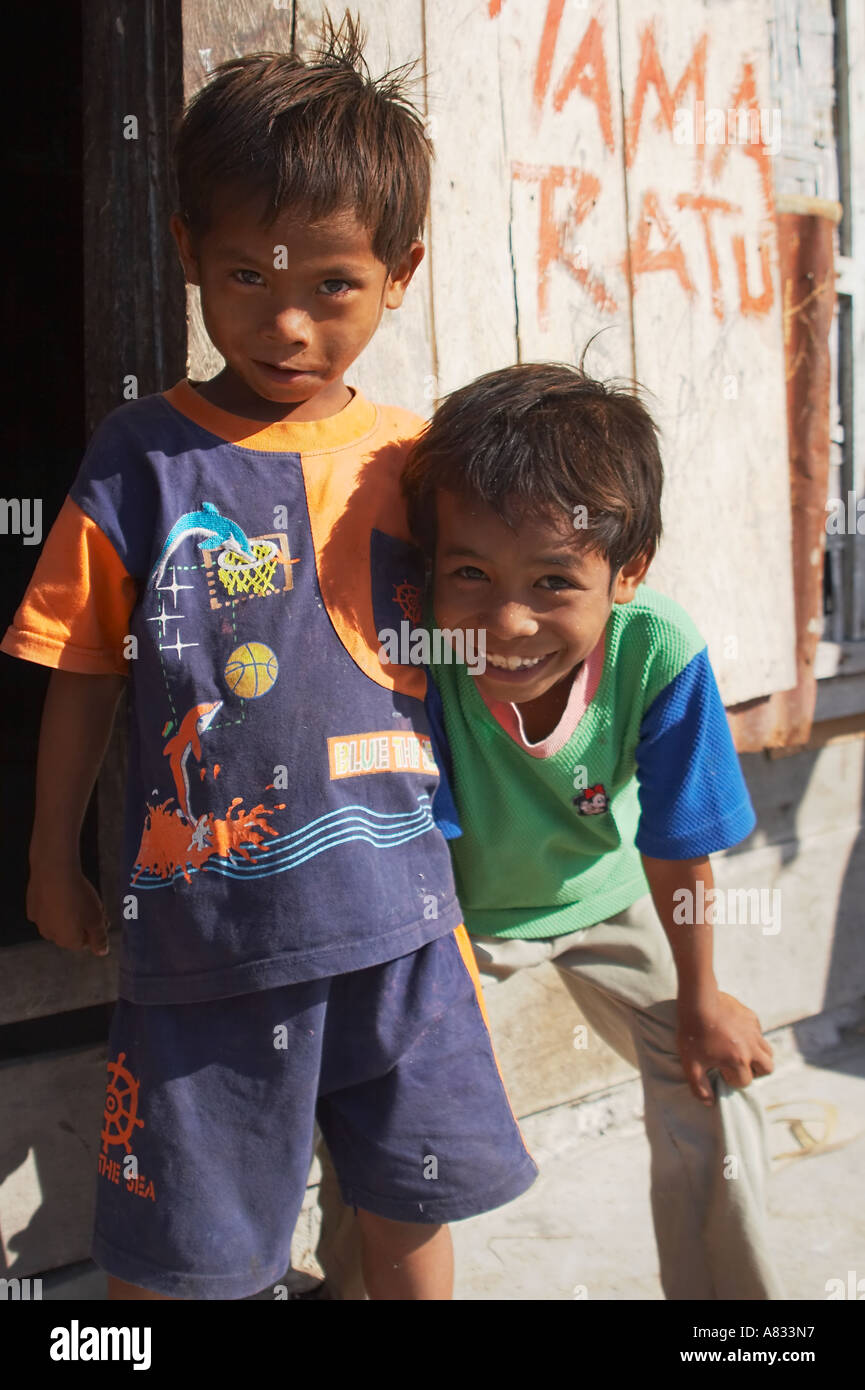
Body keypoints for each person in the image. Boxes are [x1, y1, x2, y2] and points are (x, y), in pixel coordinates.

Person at [1, 19, 536, 1302]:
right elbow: (82, 669)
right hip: (204, 938)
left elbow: (492, 654)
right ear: (187, 253)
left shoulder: (425, 463)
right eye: (243, 277)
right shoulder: (139, 460)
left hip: (401, 926)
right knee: (181, 1250)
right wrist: (50, 853)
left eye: (331, 288)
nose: (286, 323)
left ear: (401, 270)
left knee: (411, 1210)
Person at [399, 360, 784, 1300]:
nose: (507, 620)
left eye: (553, 581)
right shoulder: (413, 647)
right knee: (384, 1111)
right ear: (428, 564)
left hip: (607, 900)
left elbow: (678, 837)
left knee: (714, 1077)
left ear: (626, 572)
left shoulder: (658, 647)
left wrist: (700, 995)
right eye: (469, 573)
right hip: (455, 919)